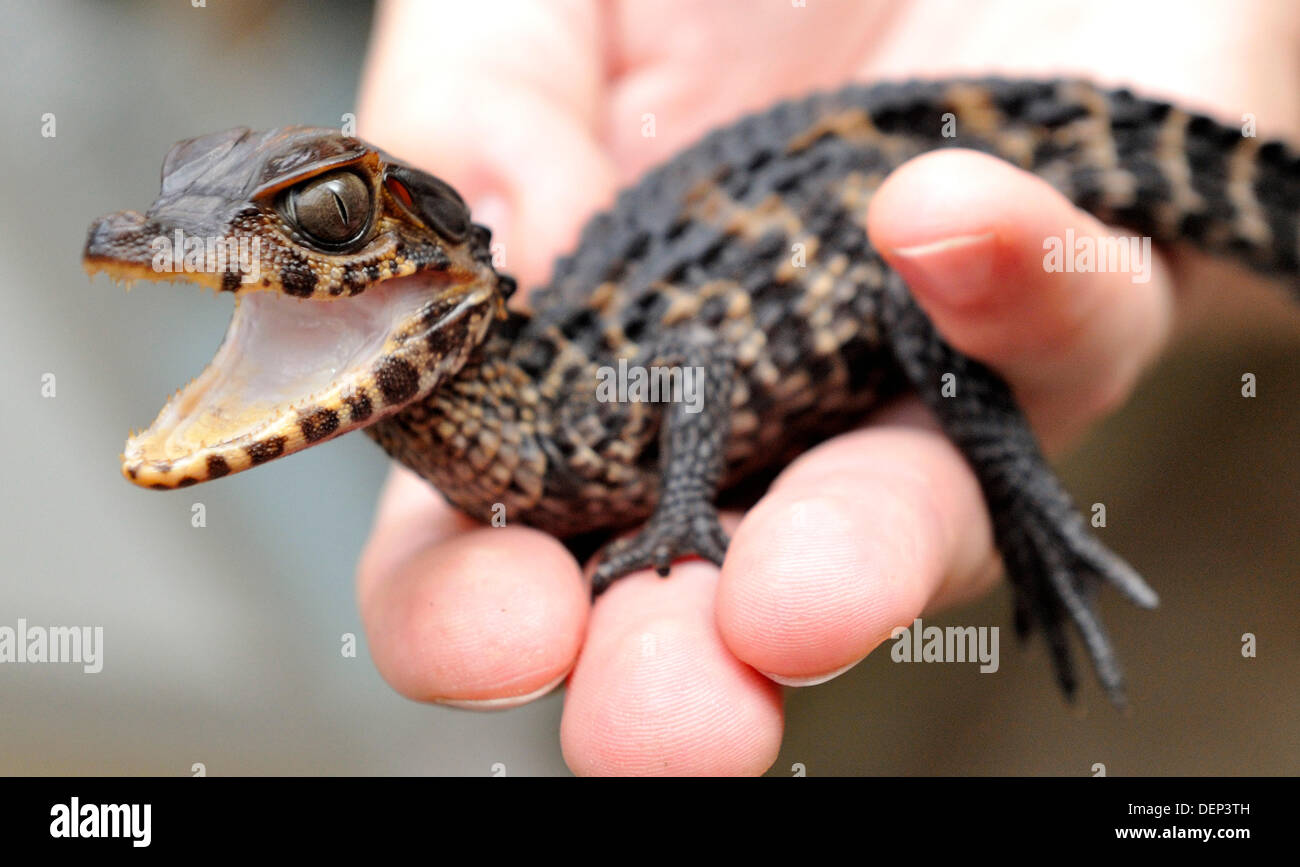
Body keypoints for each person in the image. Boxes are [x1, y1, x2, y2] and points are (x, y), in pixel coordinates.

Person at [352, 0, 1300, 775]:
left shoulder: (561, 403)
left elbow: (698, 361)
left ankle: (1032, 507)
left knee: (934, 297)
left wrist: (682, 511)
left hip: (876, 226)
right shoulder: (490, 411)